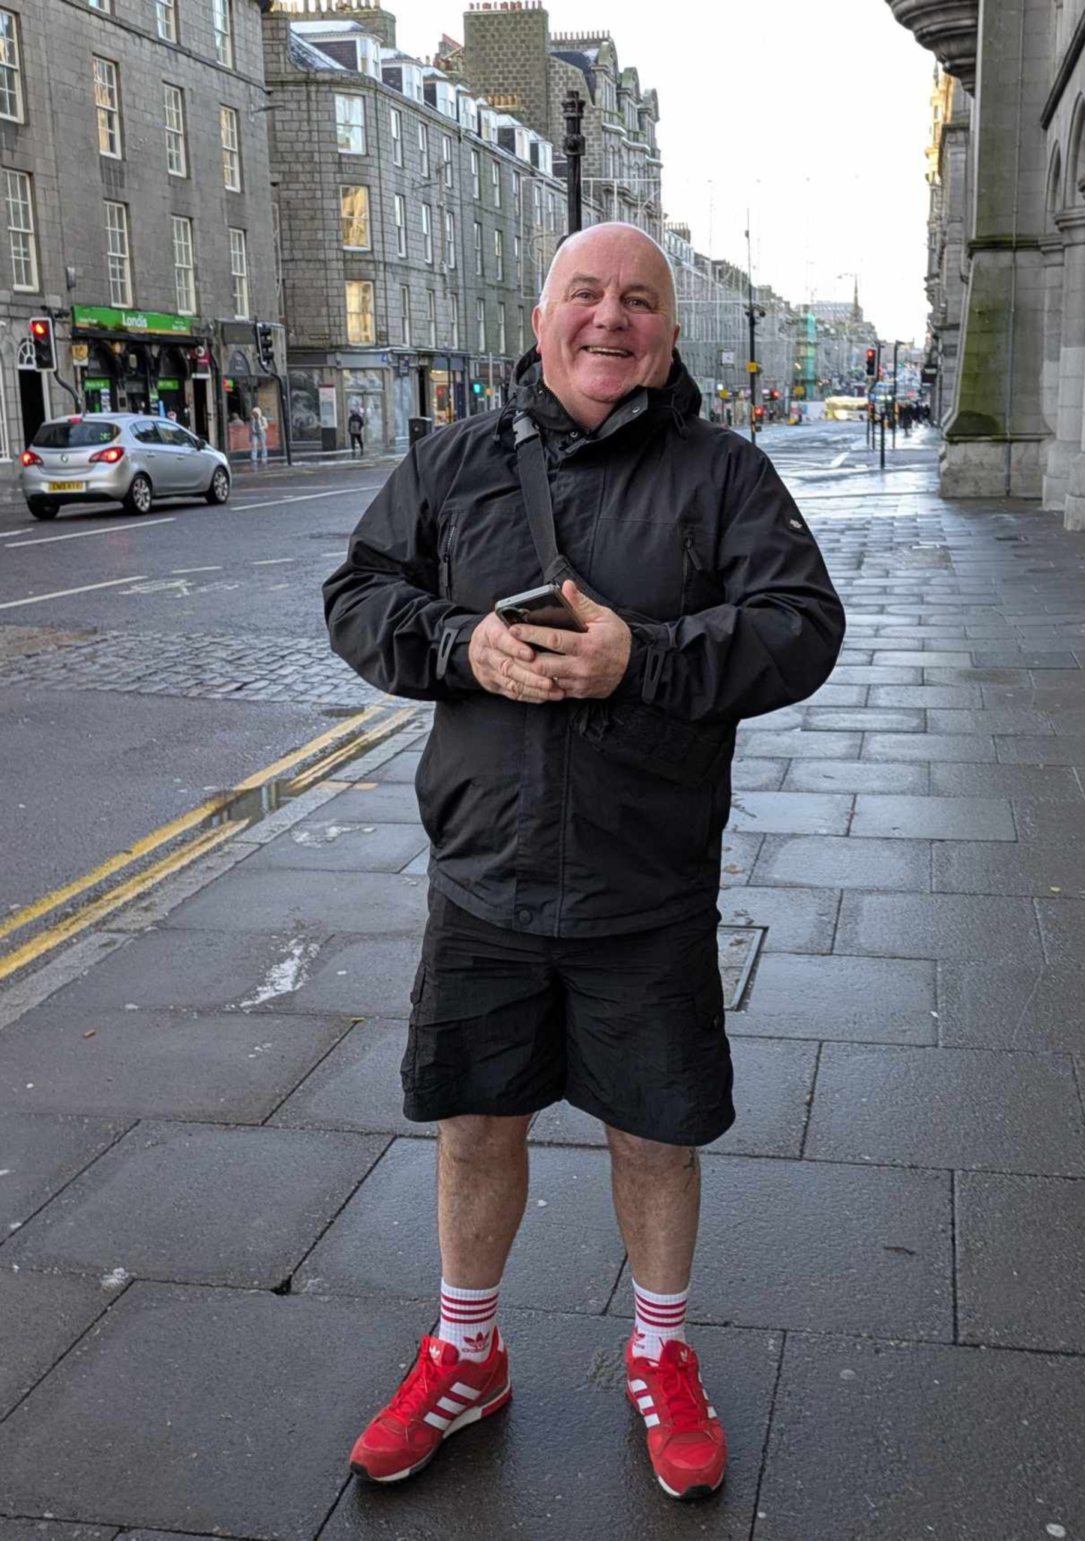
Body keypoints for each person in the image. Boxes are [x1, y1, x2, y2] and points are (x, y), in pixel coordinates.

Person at [324, 222, 844, 1501]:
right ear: (543, 312)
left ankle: (661, 1351)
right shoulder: (452, 462)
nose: (613, 319)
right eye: (588, 295)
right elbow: (356, 597)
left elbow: (803, 625)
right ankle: (467, 1347)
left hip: (645, 877)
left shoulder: (723, 473)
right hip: (486, 872)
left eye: (641, 302)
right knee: (474, 1121)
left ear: (668, 329)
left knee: (655, 1131)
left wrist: (644, 658)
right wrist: (457, 645)